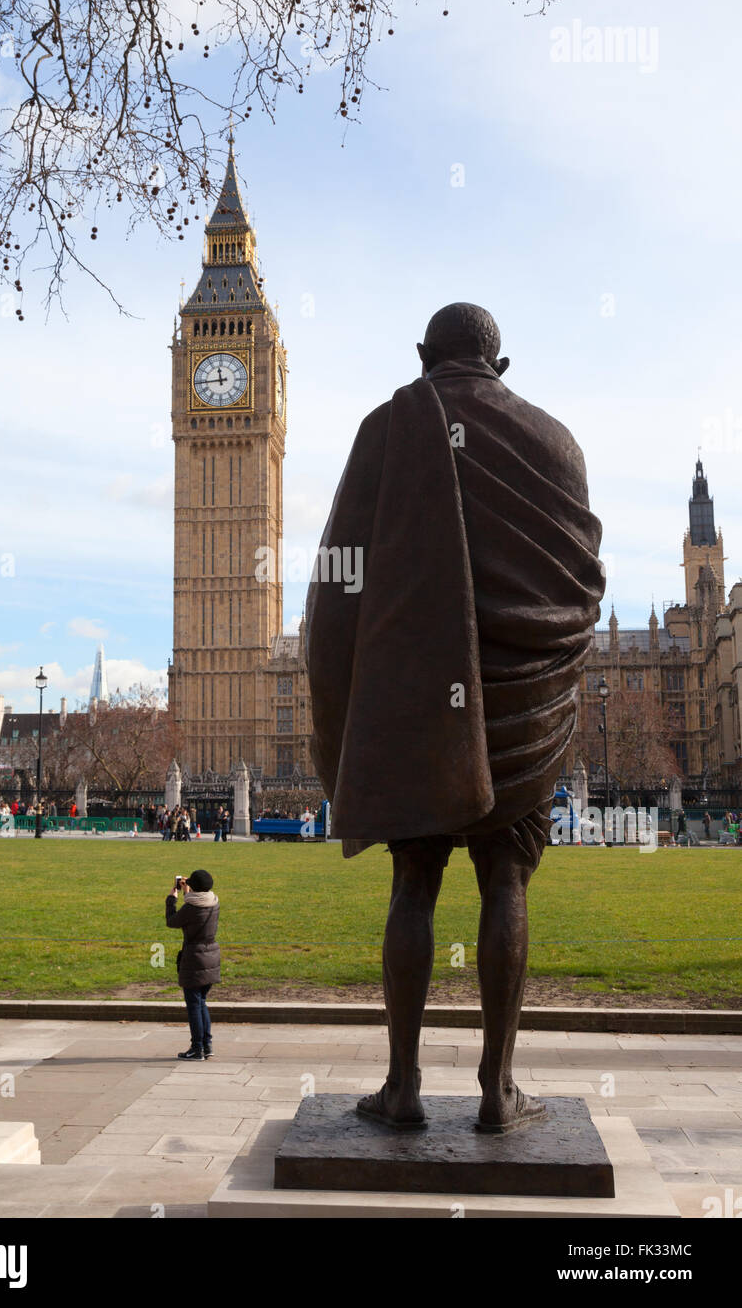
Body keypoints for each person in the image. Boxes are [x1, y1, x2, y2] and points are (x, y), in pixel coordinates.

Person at [306, 302, 604, 1131]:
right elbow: (577, 590)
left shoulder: (388, 428)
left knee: (413, 882)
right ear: (500, 366)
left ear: (421, 357)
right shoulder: (555, 440)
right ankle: (497, 1092)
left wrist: (340, 716)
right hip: (527, 706)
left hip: (416, 703)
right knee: (506, 881)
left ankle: (401, 1088)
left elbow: (335, 586)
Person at [166, 868, 221, 1060]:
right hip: (211, 956)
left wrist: (172, 899)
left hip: (194, 959)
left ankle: (197, 1049)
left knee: (194, 1006)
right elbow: (197, 905)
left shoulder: (190, 908)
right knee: (202, 1003)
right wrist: (188, 891)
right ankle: (207, 1044)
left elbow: (172, 921)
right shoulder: (214, 902)